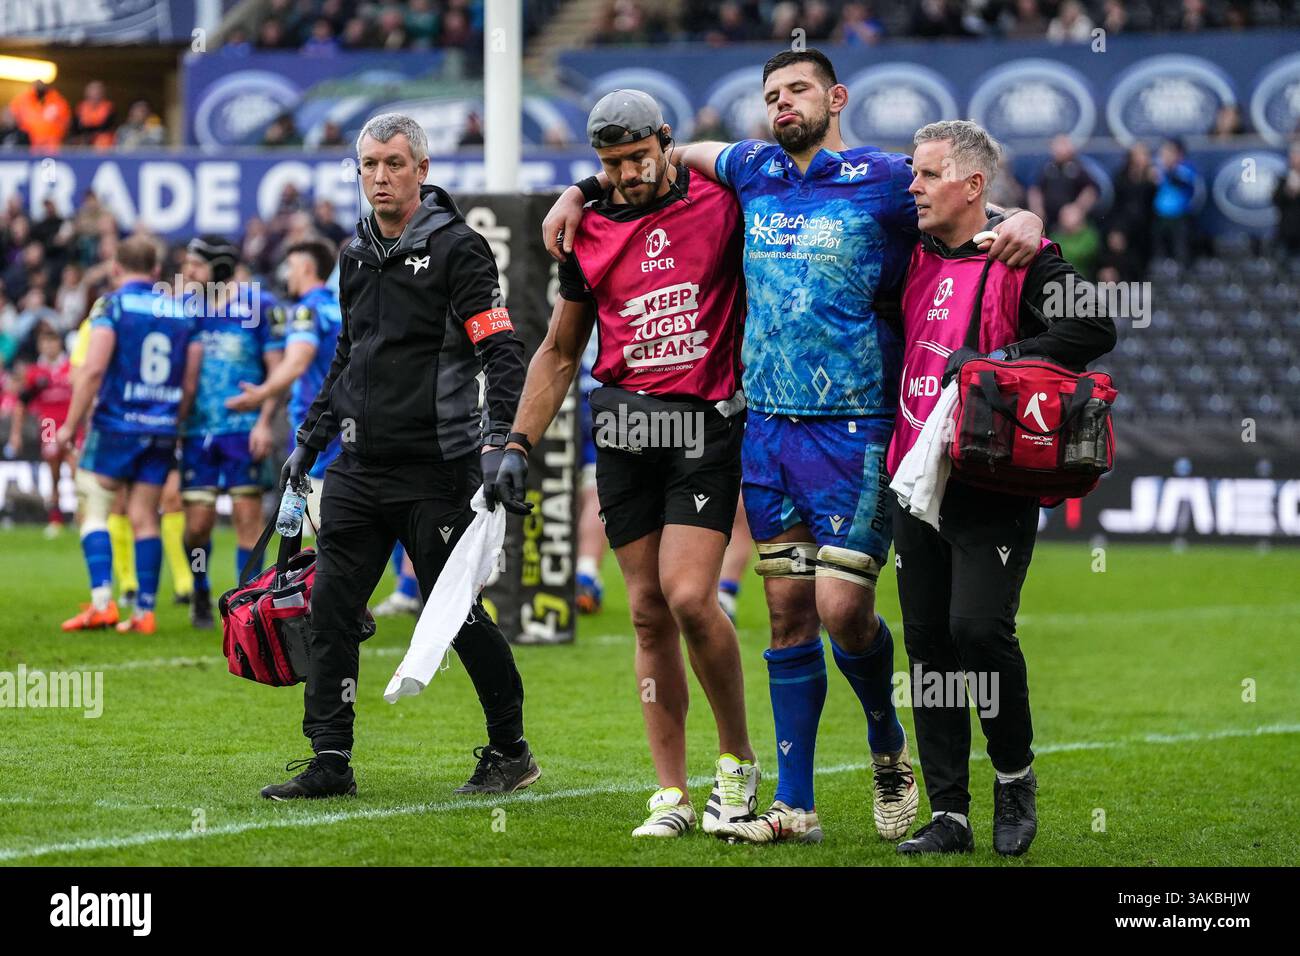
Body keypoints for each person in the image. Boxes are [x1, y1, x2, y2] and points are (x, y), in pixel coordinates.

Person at [542, 48, 1046, 845]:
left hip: (856, 424)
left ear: (835, 97)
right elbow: (659, 158)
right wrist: (580, 188)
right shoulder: (750, 167)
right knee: (785, 616)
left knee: (845, 610)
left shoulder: (885, 178)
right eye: (771, 92)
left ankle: (886, 739)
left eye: (798, 89)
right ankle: (795, 805)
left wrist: (1021, 219)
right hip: (769, 426)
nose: (783, 102)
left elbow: (957, 202)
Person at [492, 90, 758, 837]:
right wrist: (518, 444)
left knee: (689, 598)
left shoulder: (720, 203)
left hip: (705, 427)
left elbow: (767, 168)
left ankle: (736, 764)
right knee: (645, 612)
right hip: (624, 437)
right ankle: (671, 795)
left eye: (637, 157)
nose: (625, 174)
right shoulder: (591, 227)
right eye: (607, 165)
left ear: (665, 141)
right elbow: (559, 350)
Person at [263, 113, 537, 800]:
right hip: (356, 466)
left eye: (392, 163)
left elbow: (501, 350)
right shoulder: (353, 255)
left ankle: (511, 750)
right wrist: (309, 440)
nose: (379, 176)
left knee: (454, 618)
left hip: (437, 468)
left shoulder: (459, 250)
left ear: (421, 167)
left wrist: (503, 443)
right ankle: (330, 759)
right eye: (368, 165)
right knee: (329, 607)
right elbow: (348, 357)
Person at [889, 120, 1116, 856]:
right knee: (926, 648)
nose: (913, 187)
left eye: (927, 175)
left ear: (973, 185)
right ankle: (949, 815)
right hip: (914, 476)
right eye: (913, 174)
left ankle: (1013, 778)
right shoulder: (904, 249)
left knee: (978, 631)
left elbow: (1094, 327)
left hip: (989, 479)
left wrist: (998, 360)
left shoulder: (1019, 254)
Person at [56, 237, 201, 634]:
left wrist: (70, 423)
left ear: (116, 268)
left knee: (94, 507)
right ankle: (145, 613)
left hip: (116, 424)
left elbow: (92, 370)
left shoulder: (112, 305)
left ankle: (103, 603)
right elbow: (190, 382)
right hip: (161, 428)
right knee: (145, 518)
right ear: (156, 271)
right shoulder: (180, 312)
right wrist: (175, 420)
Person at [179, 236, 285, 628]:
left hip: (244, 430)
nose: (188, 272)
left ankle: (245, 606)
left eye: (195, 265)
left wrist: (263, 422)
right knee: (197, 527)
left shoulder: (260, 307)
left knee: (247, 520)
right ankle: (200, 588)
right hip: (196, 432)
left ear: (219, 269)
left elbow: (277, 372)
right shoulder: (185, 309)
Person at [224, 238, 341, 526]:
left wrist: (261, 393)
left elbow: (296, 362)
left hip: (314, 425)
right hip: (342, 422)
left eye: (289, 267)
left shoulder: (306, 311)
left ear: (305, 268)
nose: (285, 275)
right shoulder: (338, 308)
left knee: (316, 522)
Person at [7, 322, 73, 536]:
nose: (49, 347)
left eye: (52, 342)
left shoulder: (71, 368)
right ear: (40, 346)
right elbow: (22, 403)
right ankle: (55, 519)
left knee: (75, 470)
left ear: (59, 344)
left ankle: (82, 517)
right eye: (44, 343)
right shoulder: (35, 373)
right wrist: (16, 434)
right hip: (49, 426)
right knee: (53, 473)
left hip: (71, 425)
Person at [1028, 134, 1097, 235]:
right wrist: (1037, 210)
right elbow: (1035, 190)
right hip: (1049, 219)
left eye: (1063, 145)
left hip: (1070, 220)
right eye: (1057, 145)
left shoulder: (1078, 168)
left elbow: (1091, 191)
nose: (1060, 149)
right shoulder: (1047, 167)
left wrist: (1077, 208)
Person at [1152, 138, 1198, 261]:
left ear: (1179, 154)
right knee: (1160, 251)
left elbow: (1182, 182)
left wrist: (1168, 169)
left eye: (1169, 152)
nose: (1165, 155)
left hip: (1180, 216)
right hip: (1160, 216)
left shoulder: (1186, 168)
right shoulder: (1158, 168)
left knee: (1181, 251)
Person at [9, 80, 71, 149]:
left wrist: (58, 134)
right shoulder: (23, 100)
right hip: (29, 143)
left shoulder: (57, 101)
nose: (39, 86)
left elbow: (65, 122)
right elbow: (12, 117)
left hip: (52, 144)